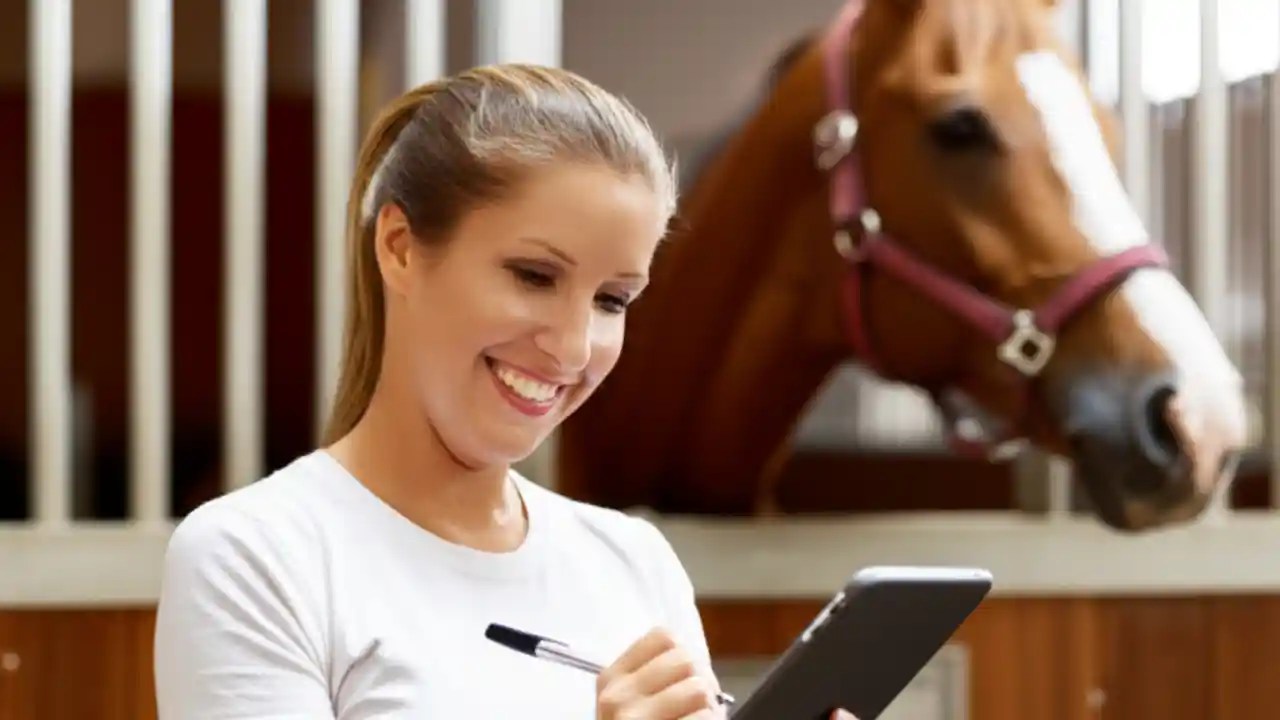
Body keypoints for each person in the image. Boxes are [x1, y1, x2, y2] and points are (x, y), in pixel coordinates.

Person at [152, 63, 856, 719]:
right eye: (534, 276)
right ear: (399, 246)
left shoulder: (633, 563)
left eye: (613, 299)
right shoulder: (254, 556)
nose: (575, 347)